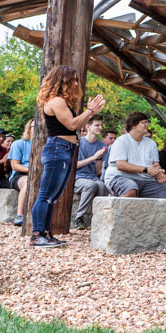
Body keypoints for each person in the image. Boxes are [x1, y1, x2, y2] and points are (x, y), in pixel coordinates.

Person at [33, 66, 107, 247]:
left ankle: (46, 233)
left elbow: (74, 125)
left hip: (65, 149)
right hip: (57, 149)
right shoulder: (56, 101)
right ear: (62, 81)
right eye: (72, 79)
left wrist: (88, 112)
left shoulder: (63, 103)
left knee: (53, 196)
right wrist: (90, 111)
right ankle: (37, 234)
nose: (76, 83)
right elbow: (73, 124)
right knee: (46, 195)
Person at [104, 112, 166, 201]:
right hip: (120, 177)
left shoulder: (151, 143)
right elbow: (120, 165)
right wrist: (146, 169)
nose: (147, 125)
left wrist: (158, 172)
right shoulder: (121, 141)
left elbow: (156, 164)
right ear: (133, 125)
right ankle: (117, 212)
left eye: (147, 122)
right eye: (143, 122)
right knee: (131, 188)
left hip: (146, 180)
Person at [73, 116, 110, 229]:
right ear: (88, 127)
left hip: (92, 176)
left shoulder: (102, 146)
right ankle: (79, 218)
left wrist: (98, 159)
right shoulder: (79, 143)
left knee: (102, 186)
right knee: (91, 185)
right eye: (97, 125)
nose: (100, 127)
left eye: (101, 125)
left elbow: (98, 171)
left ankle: (98, 219)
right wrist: (93, 157)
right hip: (77, 177)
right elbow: (75, 165)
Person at [5, 120, 34, 226]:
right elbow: (15, 166)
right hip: (20, 175)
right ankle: (20, 215)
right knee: (28, 182)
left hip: (41, 174)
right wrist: (33, 170)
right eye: (34, 126)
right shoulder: (19, 144)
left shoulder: (47, 144)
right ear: (28, 129)